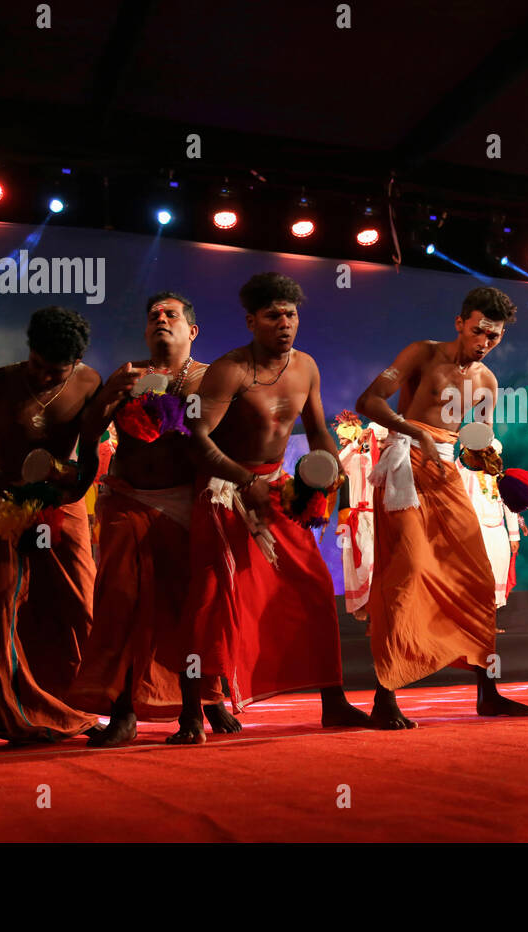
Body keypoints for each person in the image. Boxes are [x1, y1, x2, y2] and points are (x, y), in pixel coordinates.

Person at [163, 274, 368, 744]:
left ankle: (334, 704)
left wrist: (327, 477)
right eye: (273, 315)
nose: (285, 323)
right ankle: (192, 713)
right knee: (212, 597)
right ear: (252, 321)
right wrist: (244, 479)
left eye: (291, 314)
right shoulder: (229, 369)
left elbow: (318, 431)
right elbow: (195, 438)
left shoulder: (306, 367)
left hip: (274, 488)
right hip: (222, 490)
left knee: (315, 585)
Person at [356, 286, 528, 729]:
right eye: (479, 331)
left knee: (477, 577)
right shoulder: (423, 353)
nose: (485, 342)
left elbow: (477, 441)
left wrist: (496, 468)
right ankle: (385, 695)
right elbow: (369, 401)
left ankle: (488, 692)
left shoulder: (487, 382)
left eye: (494, 337)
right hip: (405, 467)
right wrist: (415, 432)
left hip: (446, 474)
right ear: (460, 323)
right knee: (409, 572)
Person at [68, 293, 238, 747]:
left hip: (188, 503)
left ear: (191, 330)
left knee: (189, 610)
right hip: (128, 499)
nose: (161, 320)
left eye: (171, 315)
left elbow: (231, 442)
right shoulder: (128, 376)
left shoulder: (211, 379)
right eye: (153, 317)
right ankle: (123, 713)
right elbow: (87, 433)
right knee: (120, 601)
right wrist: (109, 395)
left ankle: (196, 708)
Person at [0, 306, 102, 750]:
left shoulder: (89, 384)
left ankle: (79, 709)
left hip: (63, 507)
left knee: (78, 604)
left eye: (57, 372)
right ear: (28, 351)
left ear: (76, 363)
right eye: (38, 366)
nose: (46, 378)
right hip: (5, 503)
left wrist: (69, 484)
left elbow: (88, 459)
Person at [458, 437, 520, 615]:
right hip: (477, 532)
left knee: (497, 571)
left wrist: (513, 536)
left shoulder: (502, 479)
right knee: (478, 576)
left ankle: (489, 622)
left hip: (498, 532)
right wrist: (464, 449)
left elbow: (510, 507)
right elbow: (457, 468)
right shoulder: (468, 475)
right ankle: (476, 623)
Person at [334, 411, 381, 619]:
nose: (341, 441)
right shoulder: (352, 458)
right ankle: (363, 606)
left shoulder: (373, 458)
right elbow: (337, 463)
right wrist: (354, 446)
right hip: (358, 517)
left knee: (375, 562)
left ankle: (376, 608)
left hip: (376, 516)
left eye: (343, 437)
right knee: (360, 563)